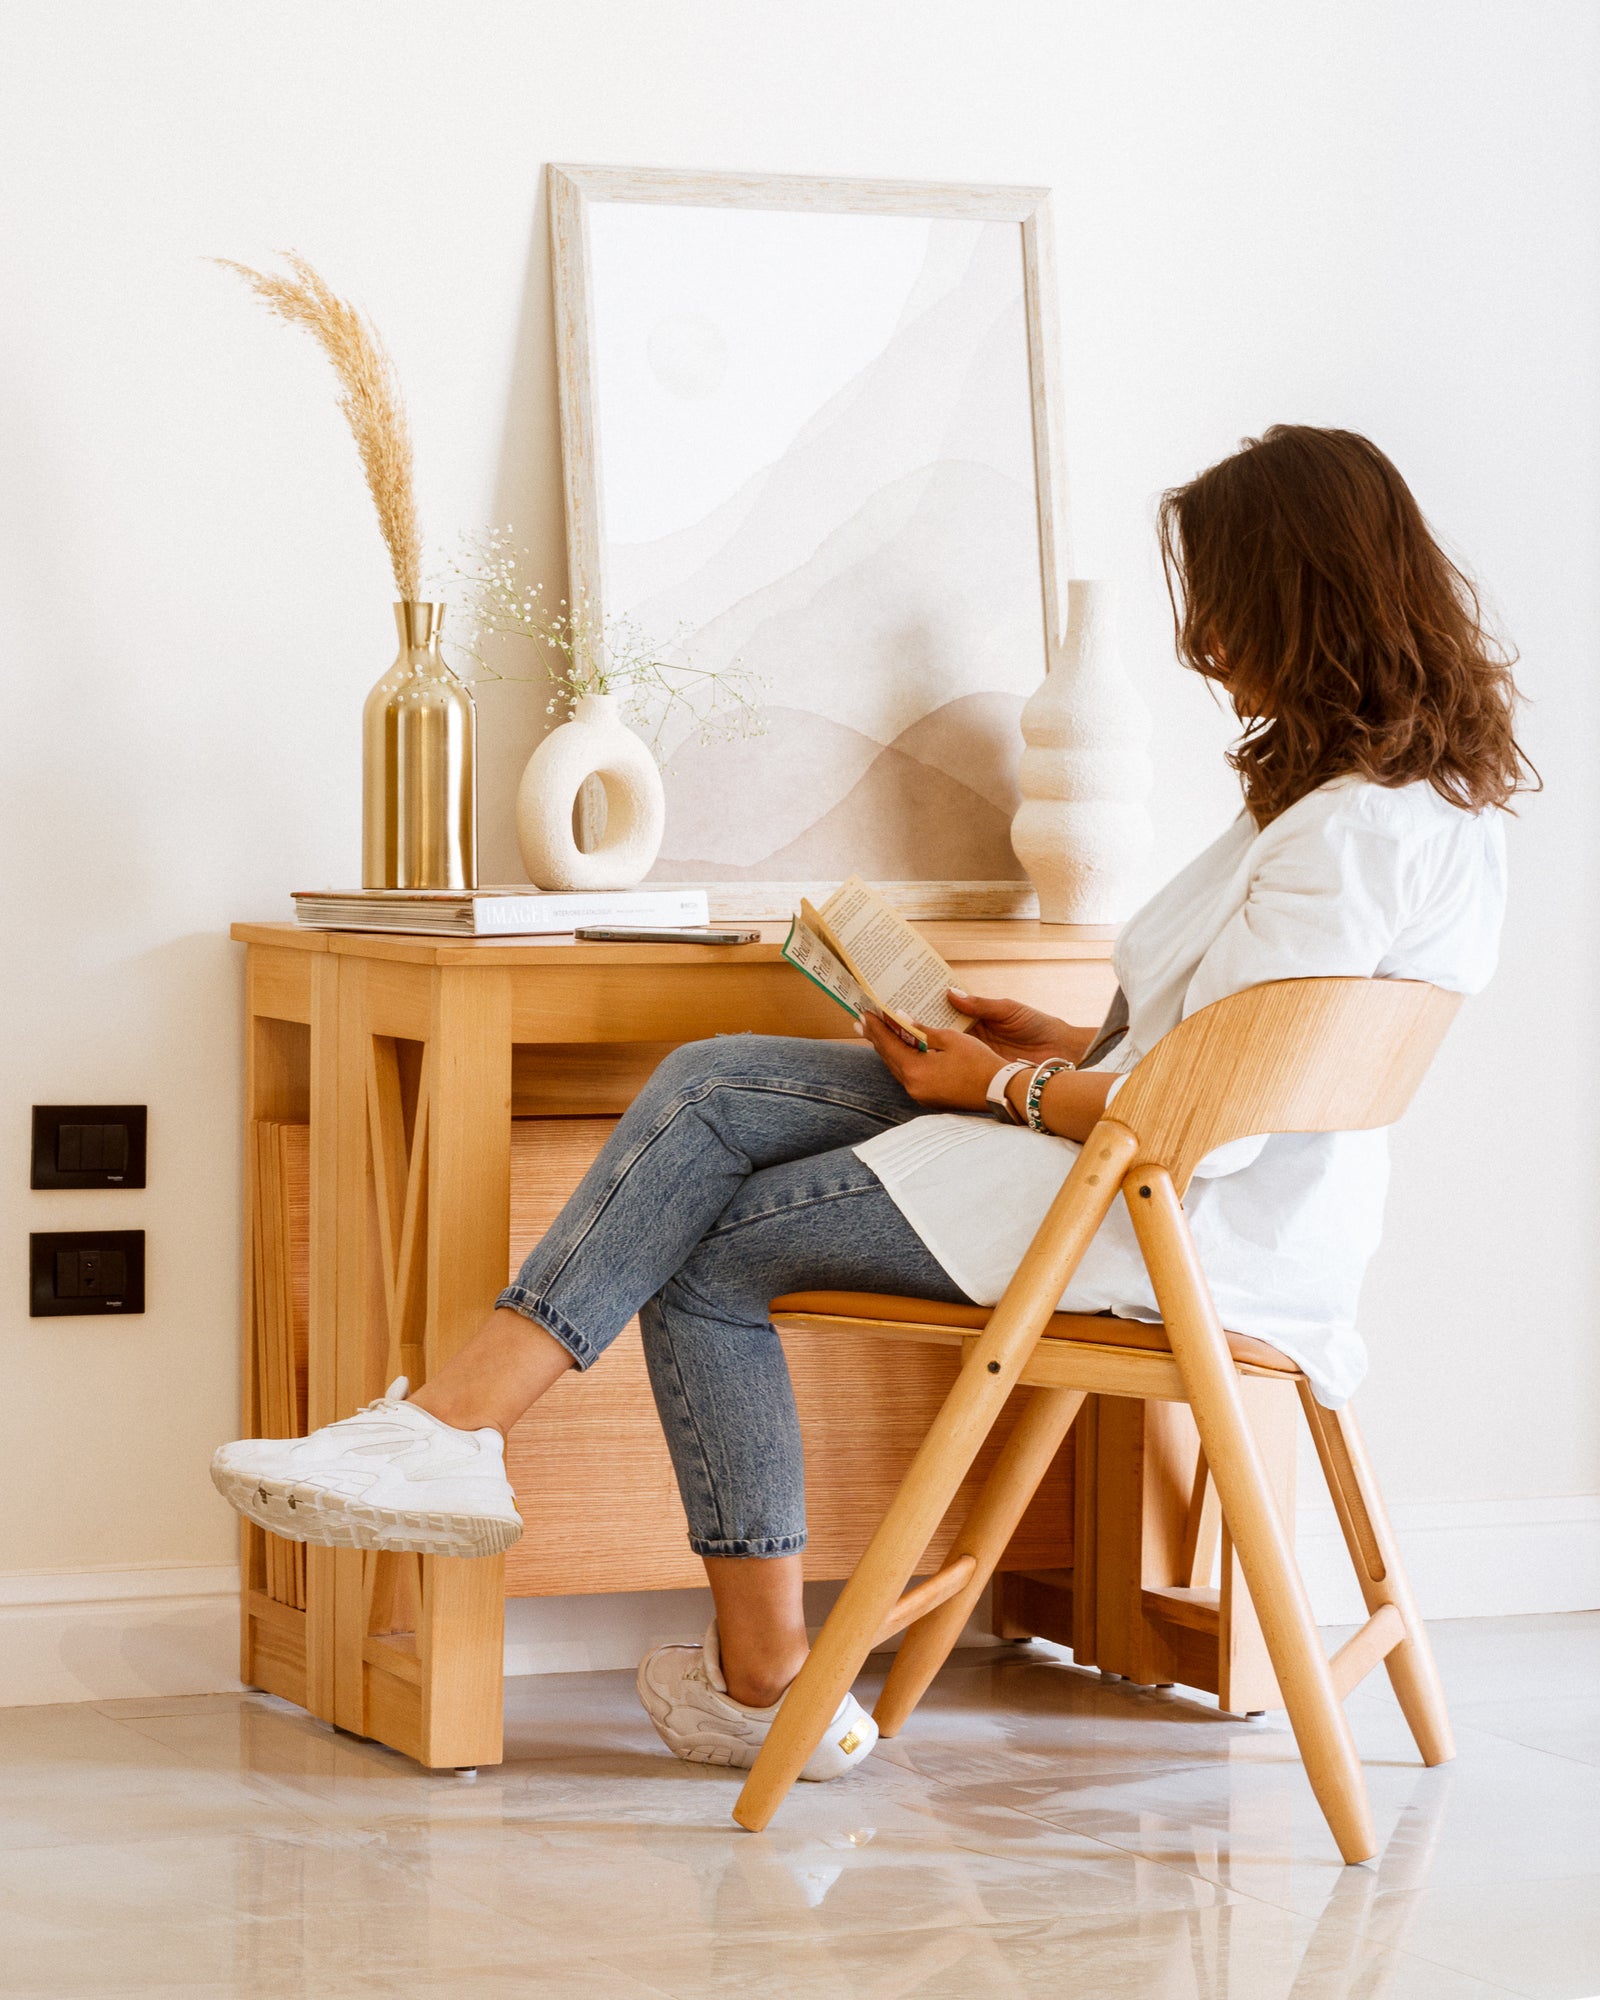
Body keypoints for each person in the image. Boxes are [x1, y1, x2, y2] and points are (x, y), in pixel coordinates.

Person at [213, 425, 1532, 1782]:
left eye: (1222, 604)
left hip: (1158, 1215)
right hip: (1153, 1168)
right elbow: (1234, 1049)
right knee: (713, 1082)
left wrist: (1003, 1085)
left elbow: (1221, 1121)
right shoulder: (1419, 811)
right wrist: (1057, 1042)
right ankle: (455, 1431)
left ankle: (745, 1663)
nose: (1204, 644)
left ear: (1302, 598)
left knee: (704, 1253)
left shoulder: (1343, 834)